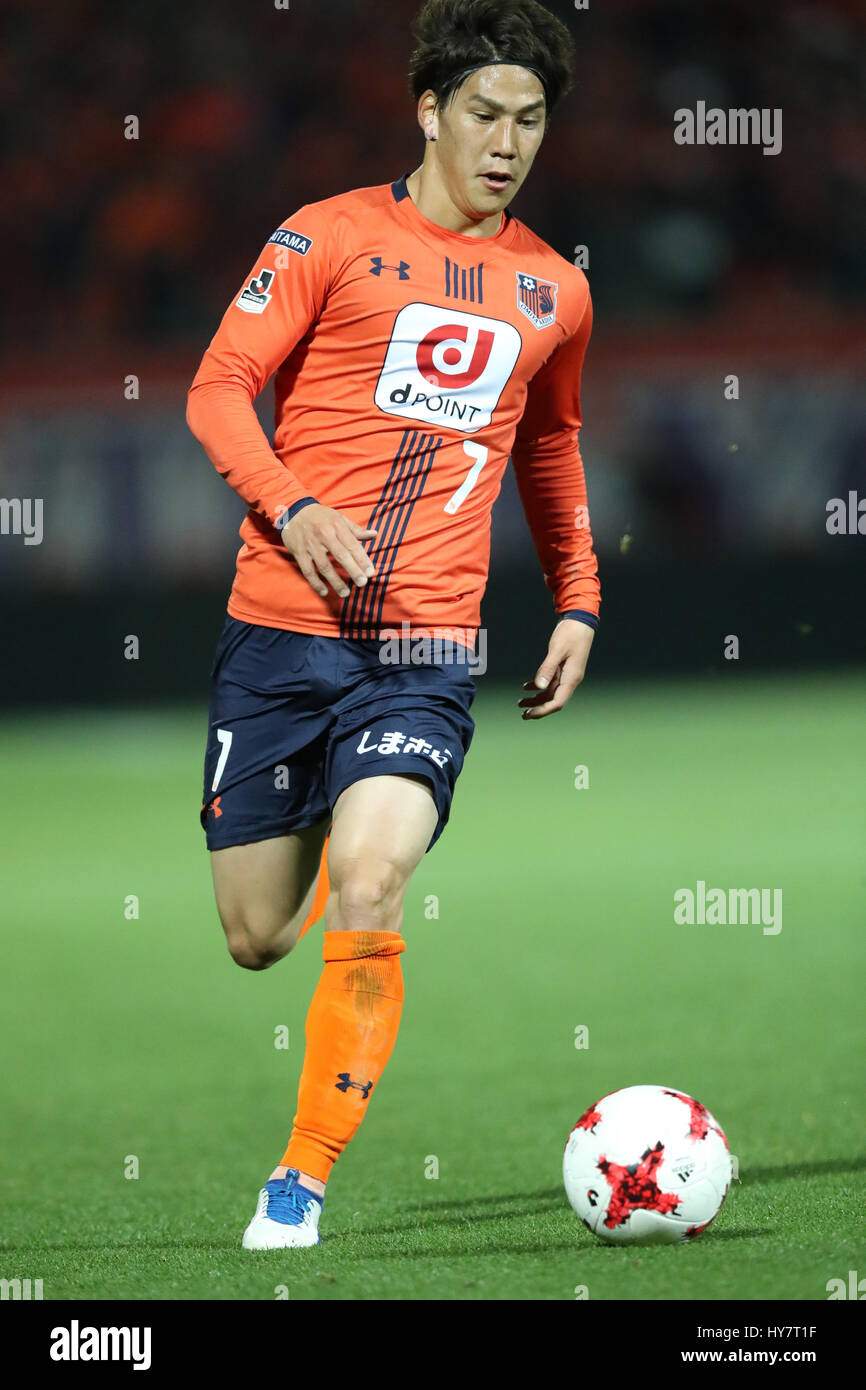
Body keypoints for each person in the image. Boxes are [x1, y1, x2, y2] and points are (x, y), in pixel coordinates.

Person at [186, 0, 600, 1249]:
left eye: (529, 121)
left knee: (370, 879)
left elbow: (551, 445)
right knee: (257, 936)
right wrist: (289, 497)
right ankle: (321, 792)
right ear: (427, 110)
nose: (506, 141)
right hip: (278, 636)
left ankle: (299, 1178)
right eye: (483, 113)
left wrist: (578, 595)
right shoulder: (328, 238)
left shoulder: (555, 290)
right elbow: (214, 391)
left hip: (423, 653)